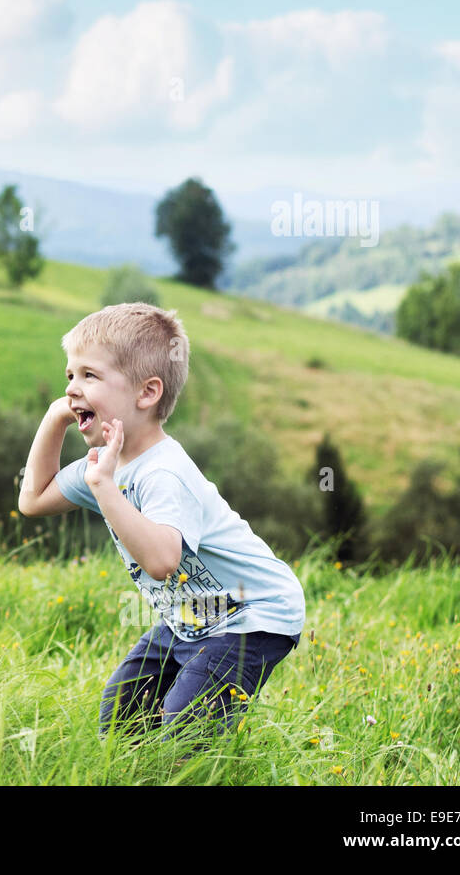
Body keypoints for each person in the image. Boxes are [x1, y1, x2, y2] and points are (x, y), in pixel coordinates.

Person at [17, 302, 305, 743]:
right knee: (122, 716)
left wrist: (103, 486)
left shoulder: (163, 473)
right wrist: (56, 417)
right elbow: (33, 499)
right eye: (69, 376)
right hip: (193, 617)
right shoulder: (103, 464)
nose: (73, 388)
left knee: (185, 724)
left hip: (256, 614)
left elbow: (162, 561)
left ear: (147, 393)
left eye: (89, 376)